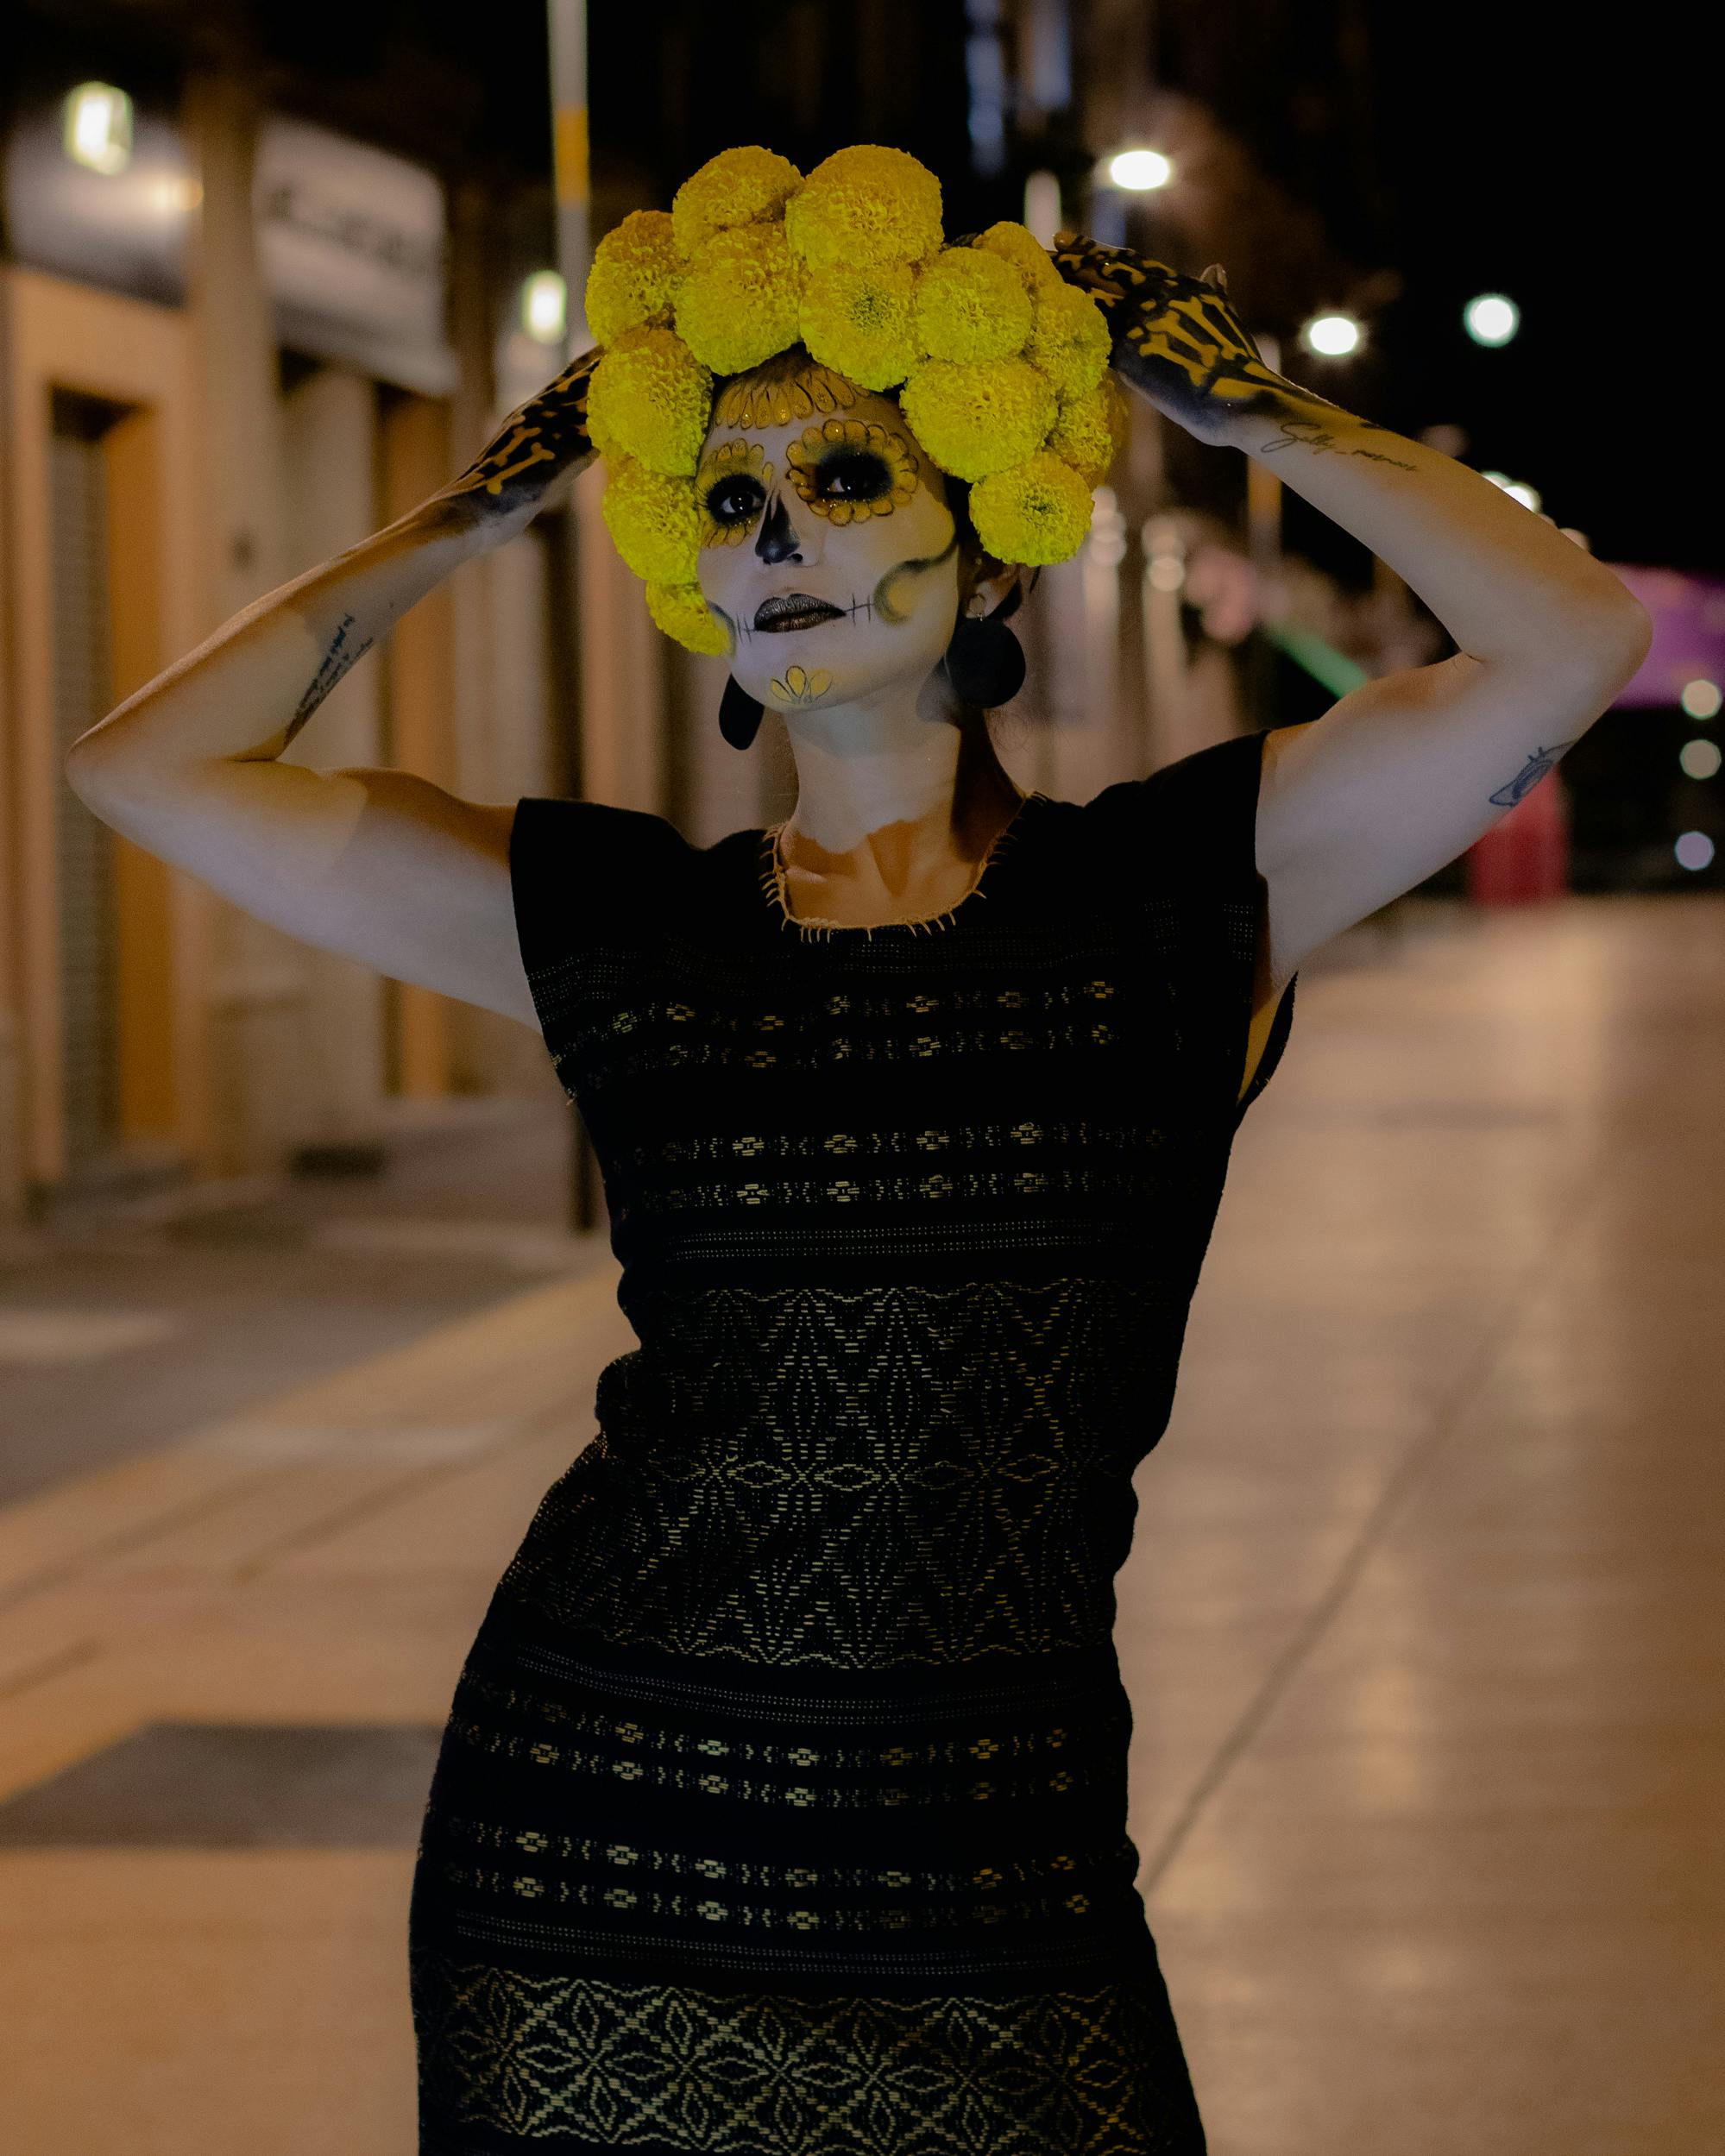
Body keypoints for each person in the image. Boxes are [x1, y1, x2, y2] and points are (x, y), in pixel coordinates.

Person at [67, 142, 1649, 2154]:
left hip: (994, 1867)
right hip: (598, 1853)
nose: (783, 537)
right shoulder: (620, 923)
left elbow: (1567, 643)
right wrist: (477, 506)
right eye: (728, 500)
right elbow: (143, 766)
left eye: (844, 478)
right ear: (687, 570)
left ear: (986, 545)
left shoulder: (1182, 891)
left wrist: (1235, 403)